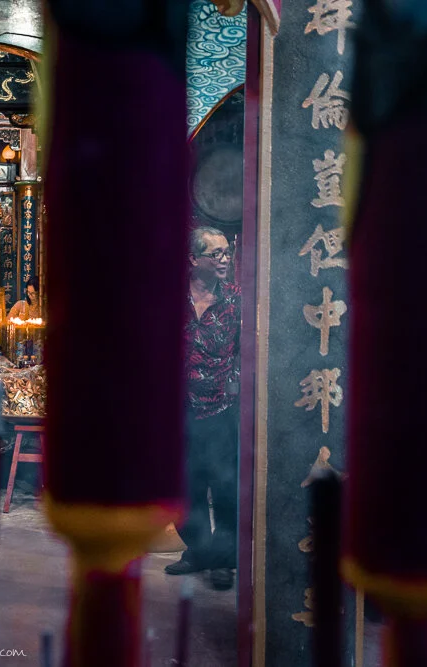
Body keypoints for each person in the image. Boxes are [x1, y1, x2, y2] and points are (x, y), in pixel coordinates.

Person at [165, 226, 240, 590]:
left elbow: (247, 351)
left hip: (223, 410)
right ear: (194, 259)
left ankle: (224, 560)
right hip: (179, 411)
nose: (225, 259)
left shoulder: (236, 301)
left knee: (225, 489)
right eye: (217, 254)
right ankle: (199, 550)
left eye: (227, 252)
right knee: (184, 488)